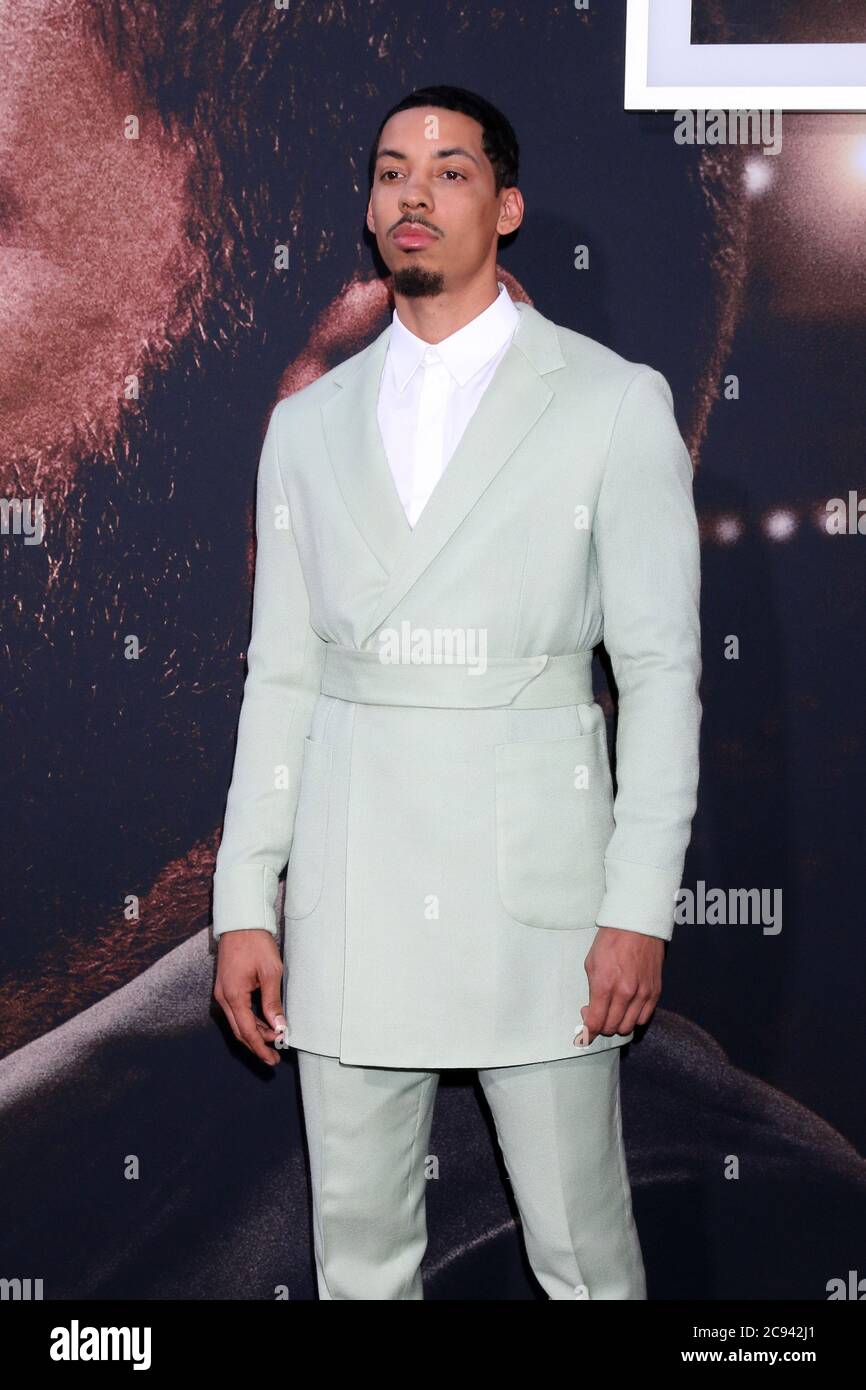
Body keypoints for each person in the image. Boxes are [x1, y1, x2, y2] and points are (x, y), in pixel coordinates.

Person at [211, 84, 702, 1300]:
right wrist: (242, 900)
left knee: (584, 1256)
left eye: (448, 170)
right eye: (388, 172)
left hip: (536, 902)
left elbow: (657, 674)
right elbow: (280, 675)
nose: (411, 196)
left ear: (508, 206)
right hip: (353, 889)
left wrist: (637, 906)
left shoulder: (608, 401)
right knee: (360, 1262)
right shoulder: (305, 427)